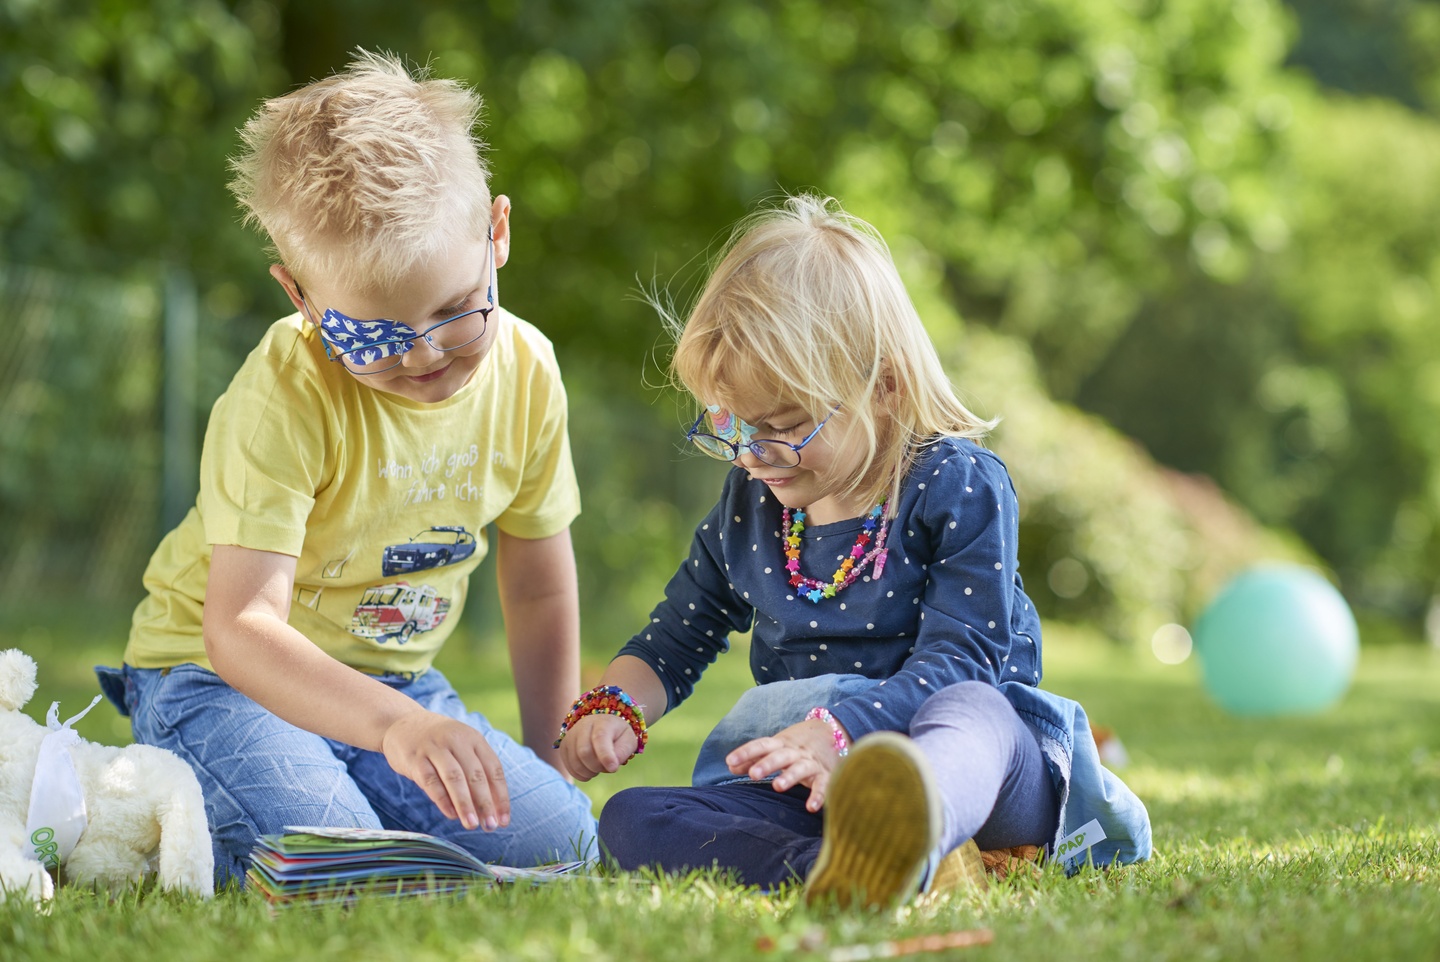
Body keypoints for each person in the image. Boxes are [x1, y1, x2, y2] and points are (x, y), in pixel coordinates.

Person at [555, 194, 1150, 907]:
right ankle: (850, 867)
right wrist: (615, 705)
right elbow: (677, 635)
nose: (754, 456)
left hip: (977, 777)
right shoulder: (753, 503)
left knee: (975, 712)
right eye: (733, 428)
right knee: (633, 819)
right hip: (811, 786)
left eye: (783, 425)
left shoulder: (955, 485)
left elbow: (964, 658)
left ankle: (918, 828)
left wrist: (842, 731)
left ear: (886, 387)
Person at [94, 50, 596, 888]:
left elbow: (540, 586)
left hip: (393, 685)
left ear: (497, 234)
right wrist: (395, 728)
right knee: (339, 859)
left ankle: (360, 793)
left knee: (563, 842)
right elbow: (241, 629)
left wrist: (550, 756)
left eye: (456, 314)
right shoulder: (283, 394)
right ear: (300, 296)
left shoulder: (530, 372)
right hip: (218, 682)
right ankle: (166, 799)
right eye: (372, 338)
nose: (426, 355)